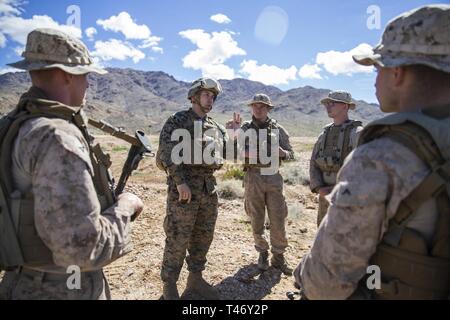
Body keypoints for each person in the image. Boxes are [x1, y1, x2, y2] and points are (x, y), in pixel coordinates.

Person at [294, 4, 450, 300]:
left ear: (398, 72)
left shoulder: (385, 152)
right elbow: (315, 159)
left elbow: (325, 284)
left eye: (377, 68)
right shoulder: (332, 135)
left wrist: (305, 277)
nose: (374, 80)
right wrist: (319, 185)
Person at [0, 28, 143, 300]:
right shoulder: (57, 137)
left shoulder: (16, 126)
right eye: (86, 75)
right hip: (60, 288)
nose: (88, 84)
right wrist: (127, 206)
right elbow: (83, 249)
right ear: (67, 74)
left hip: (22, 282)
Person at [156, 77, 228, 300]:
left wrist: (232, 134)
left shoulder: (216, 127)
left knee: (203, 236)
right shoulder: (177, 121)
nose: (211, 99)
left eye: (213, 96)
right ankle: (169, 286)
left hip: (208, 189)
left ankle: (195, 279)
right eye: (207, 94)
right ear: (194, 96)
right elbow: (166, 153)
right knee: (177, 237)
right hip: (184, 189)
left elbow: (223, 154)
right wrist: (179, 181)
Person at [227, 93, 295, 275]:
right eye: (255, 106)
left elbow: (291, 154)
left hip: (273, 177)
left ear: (268, 109)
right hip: (253, 177)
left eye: (262, 106)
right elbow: (231, 154)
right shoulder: (244, 129)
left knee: (278, 219)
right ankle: (262, 253)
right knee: (256, 218)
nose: (258, 109)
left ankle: (279, 257)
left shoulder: (278, 129)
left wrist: (283, 153)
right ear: (251, 108)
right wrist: (233, 136)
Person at [309, 91, 363, 226]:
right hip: (324, 195)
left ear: (345, 106)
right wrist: (319, 187)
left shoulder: (357, 134)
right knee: (323, 232)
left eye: (333, 103)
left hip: (348, 197)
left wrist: (342, 189)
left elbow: (365, 168)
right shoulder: (323, 135)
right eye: (327, 103)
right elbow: (313, 162)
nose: (328, 106)